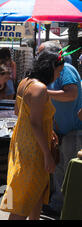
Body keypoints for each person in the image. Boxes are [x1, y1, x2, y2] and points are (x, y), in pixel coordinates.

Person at [0, 50, 64, 220]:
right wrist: (47, 155)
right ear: (50, 67)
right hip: (33, 151)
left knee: (34, 196)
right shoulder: (40, 89)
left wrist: (48, 130)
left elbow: (19, 111)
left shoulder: (24, 82)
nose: (58, 76)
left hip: (23, 144)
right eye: (58, 71)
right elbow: (35, 124)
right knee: (22, 204)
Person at [36, 42, 82, 215]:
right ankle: (58, 204)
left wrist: (43, 92)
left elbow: (71, 94)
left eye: (41, 53)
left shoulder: (66, 69)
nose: (39, 57)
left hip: (73, 131)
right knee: (60, 169)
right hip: (63, 131)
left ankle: (62, 207)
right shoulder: (54, 71)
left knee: (67, 172)